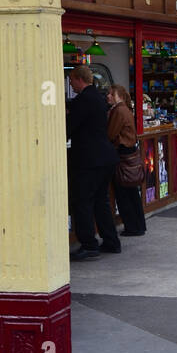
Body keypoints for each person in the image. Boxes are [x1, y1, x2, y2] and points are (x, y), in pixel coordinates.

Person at [66, 64, 121, 260]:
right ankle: (111, 241)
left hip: (88, 159)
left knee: (82, 201)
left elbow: (69, 128)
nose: (70, 84)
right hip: (105, 157)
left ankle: (89, 244)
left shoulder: (82, 100)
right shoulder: (99, 97)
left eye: (71, 80)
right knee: (101, 201)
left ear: (79, 79)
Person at [107, 85, 146, 236]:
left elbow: (110, 134)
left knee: (123, 193)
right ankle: (138, 225)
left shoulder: (118, 111)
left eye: (111, 94)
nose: (108, 96)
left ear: (119, 96)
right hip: (130, 154)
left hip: (122, 156)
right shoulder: (125, 110)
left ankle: (132, 226)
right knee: (132, 192)